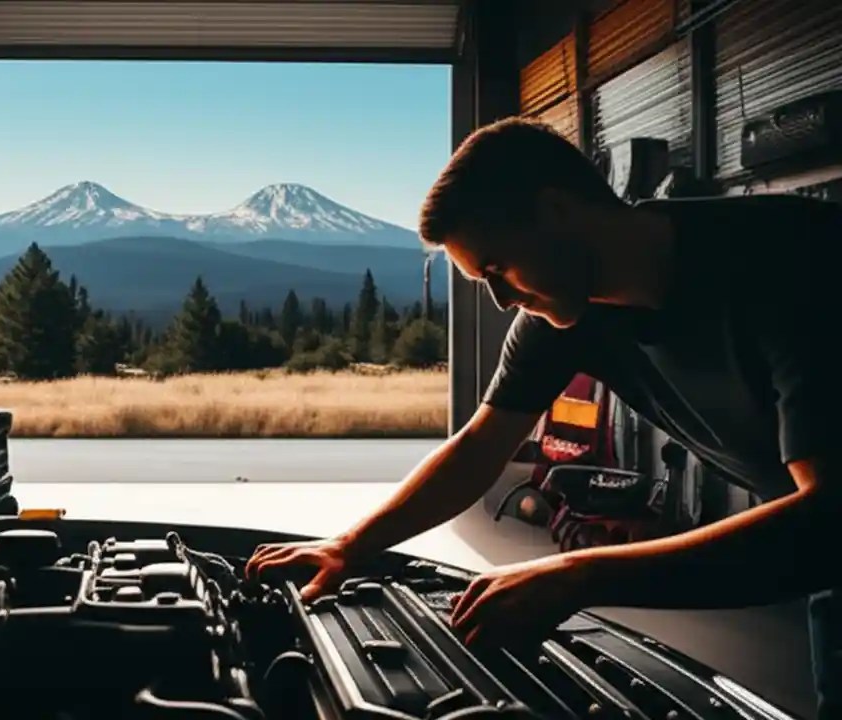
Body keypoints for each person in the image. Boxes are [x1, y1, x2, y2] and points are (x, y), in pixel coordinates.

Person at [244, 116, 841, 716]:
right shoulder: (561, 317)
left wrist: (579, 575)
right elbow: (480, 446)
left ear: (556, 210)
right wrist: (349, 548)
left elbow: (831, 514)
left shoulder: (792, 262)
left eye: (497, 269)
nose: (501, 300)